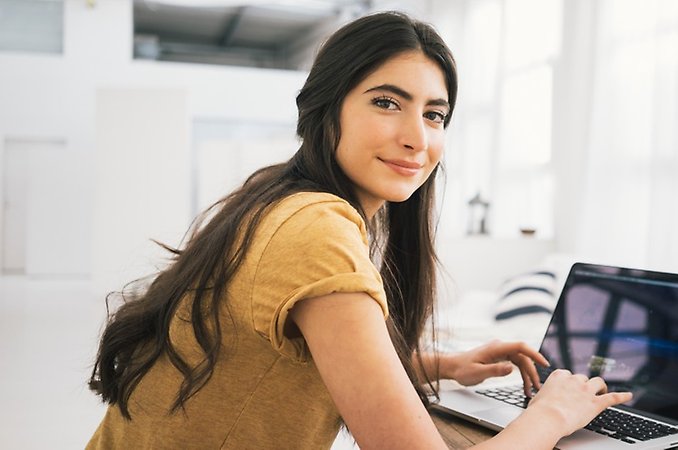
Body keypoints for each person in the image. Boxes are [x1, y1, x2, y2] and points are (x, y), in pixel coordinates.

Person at [87, 11, 631, 449]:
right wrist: (553, 415)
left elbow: (301, 356)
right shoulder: (314, 232)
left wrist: (443, 365)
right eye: (387, 103)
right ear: (328, 110)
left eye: (435, 114)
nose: (417, 137)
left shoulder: (279, 198)